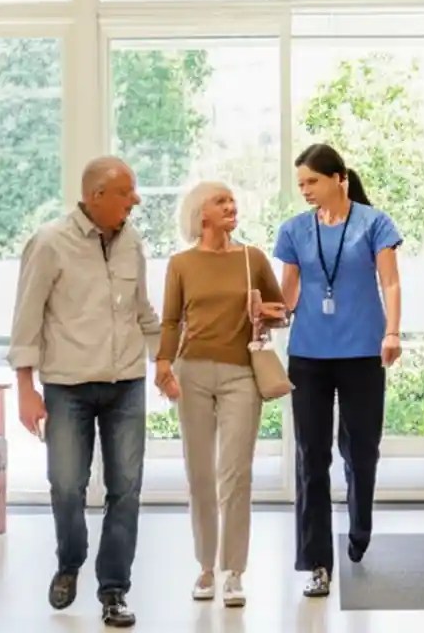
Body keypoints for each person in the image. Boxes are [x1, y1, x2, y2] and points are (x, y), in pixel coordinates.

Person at [7, 156, 161, 628]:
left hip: (126, 384)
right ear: (96, 196)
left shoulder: (132, 242)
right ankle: (69, 562)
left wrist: (167, 360)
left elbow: (143, 312)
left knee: (126, 489)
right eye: (126, 192)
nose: (135, 200)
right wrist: (25, 390)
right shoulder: (50, 243)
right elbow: (27, 318)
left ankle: (113, 590)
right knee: (67, 486)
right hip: (67, 386)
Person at [273, 143, 403, 597]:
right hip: (308, 354)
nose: (305, 190)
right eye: (301, 184)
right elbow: (288, 292)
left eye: (312, 181)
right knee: (312, 457)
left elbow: (390, 280)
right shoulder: (293, 231)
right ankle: (316, 563)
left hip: (363, 351)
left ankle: (360, 528)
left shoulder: (374, 223)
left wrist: (392, 332)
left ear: (338, 179)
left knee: (360, 449)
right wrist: (266, 314)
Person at [155, 181, 288, 608]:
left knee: (235, 474)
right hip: (191, 371)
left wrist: (267, 314)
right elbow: (172, 320)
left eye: (233, 200)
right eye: (221, 201)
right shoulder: (181, 263)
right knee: (199, 475)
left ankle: (234, 572)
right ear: (201, 214)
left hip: (240, 375)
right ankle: (205, 568)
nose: (231, 206)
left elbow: (282, 310)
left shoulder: (252, 258)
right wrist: (162, 364)